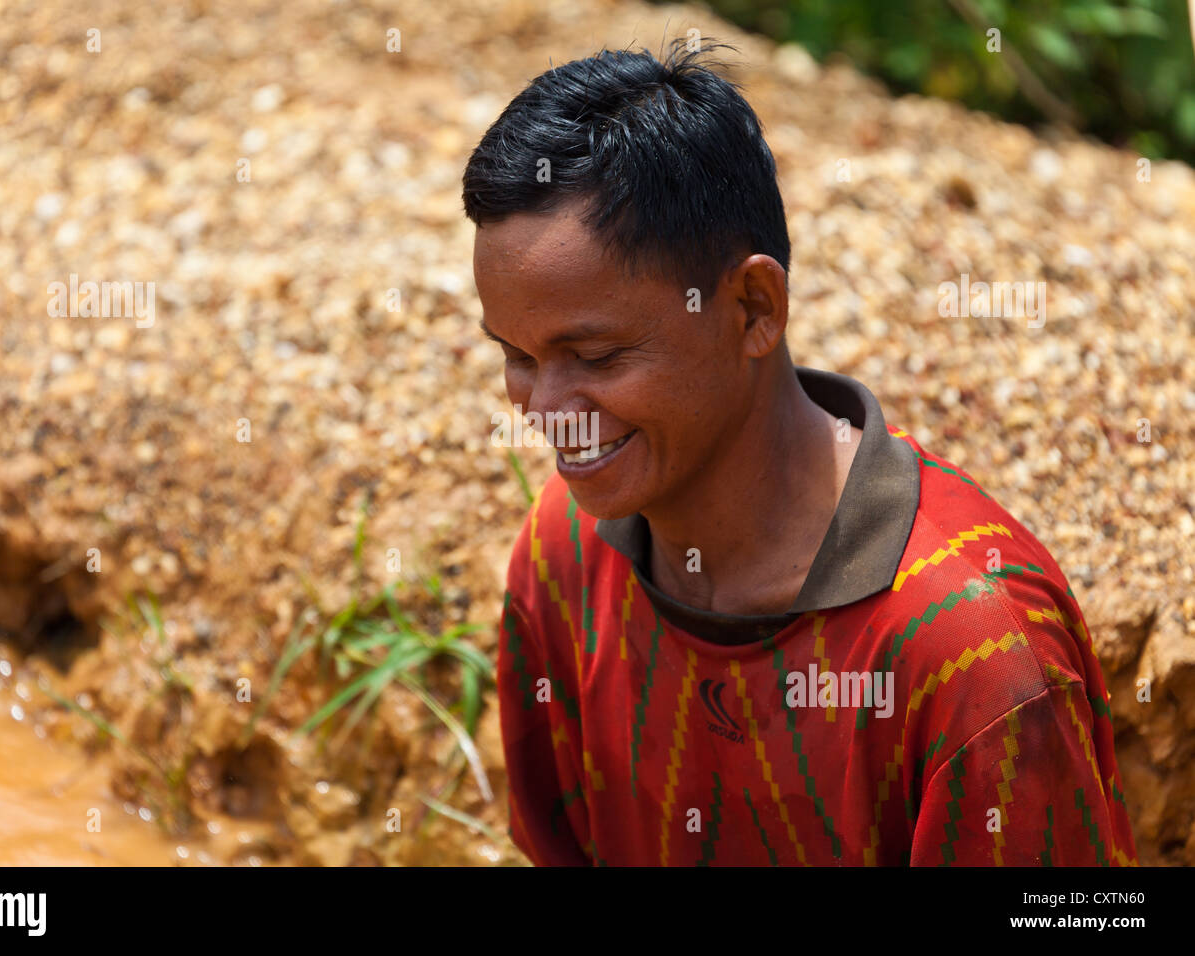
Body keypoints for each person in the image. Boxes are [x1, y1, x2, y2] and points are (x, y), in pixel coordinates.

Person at [462, 39, 1136, 866]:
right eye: (518, 357)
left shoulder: (978, 659)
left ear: (753, 307)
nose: (549, 412)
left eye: (597, 359)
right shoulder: (566, 549)